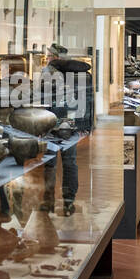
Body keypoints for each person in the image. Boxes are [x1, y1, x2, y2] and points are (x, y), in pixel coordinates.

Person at [39, 43, 93, 215]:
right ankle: (69, 202)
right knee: (70, 162)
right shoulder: (79, 72)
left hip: (52, 122)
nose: (47, 58)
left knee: (50, 163)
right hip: (71, 123)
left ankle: (48, 201)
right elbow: (87, 98)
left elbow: (42, 96)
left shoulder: (48, 71)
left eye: (48, 56)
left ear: (54, 57)